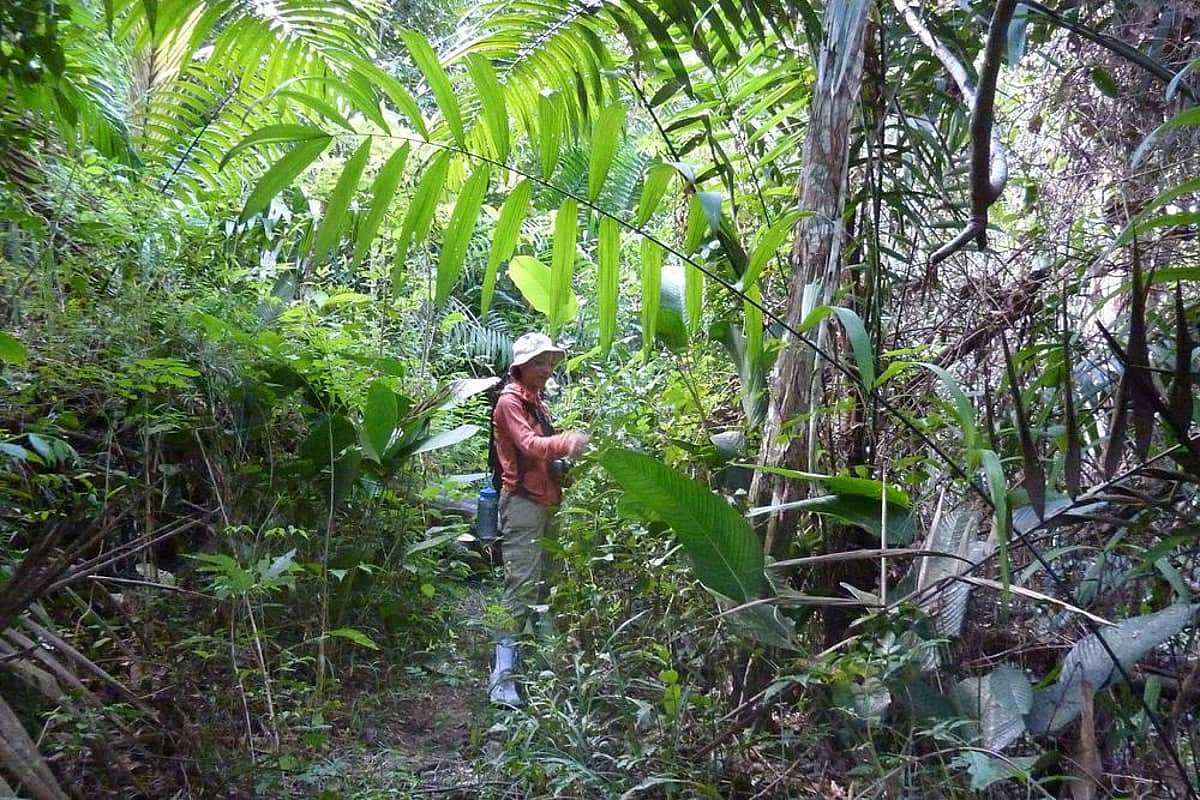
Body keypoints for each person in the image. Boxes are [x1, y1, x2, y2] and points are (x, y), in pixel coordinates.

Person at [488, 332, 589, 706]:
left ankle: (530, 664)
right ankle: (502, 675)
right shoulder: (509, 403)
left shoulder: (539, 404)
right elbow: (529, 445)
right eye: (539, 363)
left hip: (547, 501)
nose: (547, 369)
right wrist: (567, 441)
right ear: (522, 367)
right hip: (522, 504)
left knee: (545, 584)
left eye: (549, 362)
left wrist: (565, 463)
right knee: (520, 587)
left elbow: (545, 453)